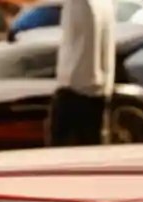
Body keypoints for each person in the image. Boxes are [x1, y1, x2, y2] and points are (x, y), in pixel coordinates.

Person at [48, 0, 114, 146]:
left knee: (58, 151)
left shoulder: (79, 3)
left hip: (74, 88)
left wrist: (65, 80)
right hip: (97, 90)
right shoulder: (105, 4)